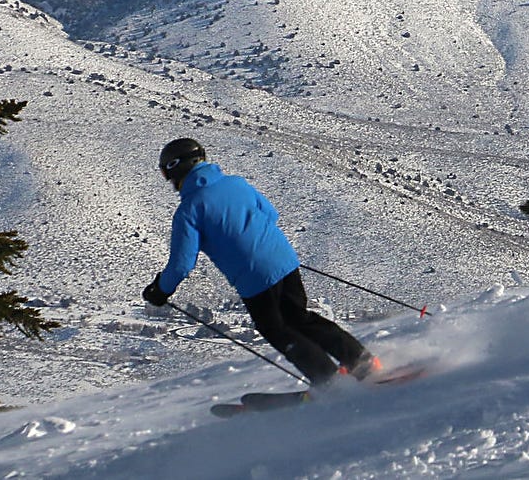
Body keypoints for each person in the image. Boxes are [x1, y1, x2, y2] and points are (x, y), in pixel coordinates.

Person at [142, 137, 381, 386]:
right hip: (284, 259)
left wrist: (160, 290)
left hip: (254, 278)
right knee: (300, 318)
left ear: (175, 169)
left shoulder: (189, 211)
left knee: (276, 329)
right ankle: (361, 361)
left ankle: (330, 382)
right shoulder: (237, 183)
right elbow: (270, 214)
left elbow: (181, 264)